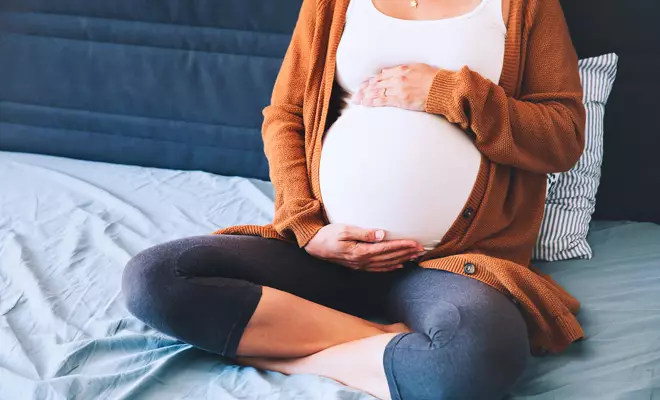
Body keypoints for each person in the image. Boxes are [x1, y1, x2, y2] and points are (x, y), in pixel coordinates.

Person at [122, 0, 586, 398]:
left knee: (477, 357)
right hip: (326, 253)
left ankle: (292, 353)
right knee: (156, 278)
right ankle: (382, 341)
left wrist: (449, 92)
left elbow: (562, 137)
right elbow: (285, 116)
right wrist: (307, 230)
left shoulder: (525, 6)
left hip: (448, 264)